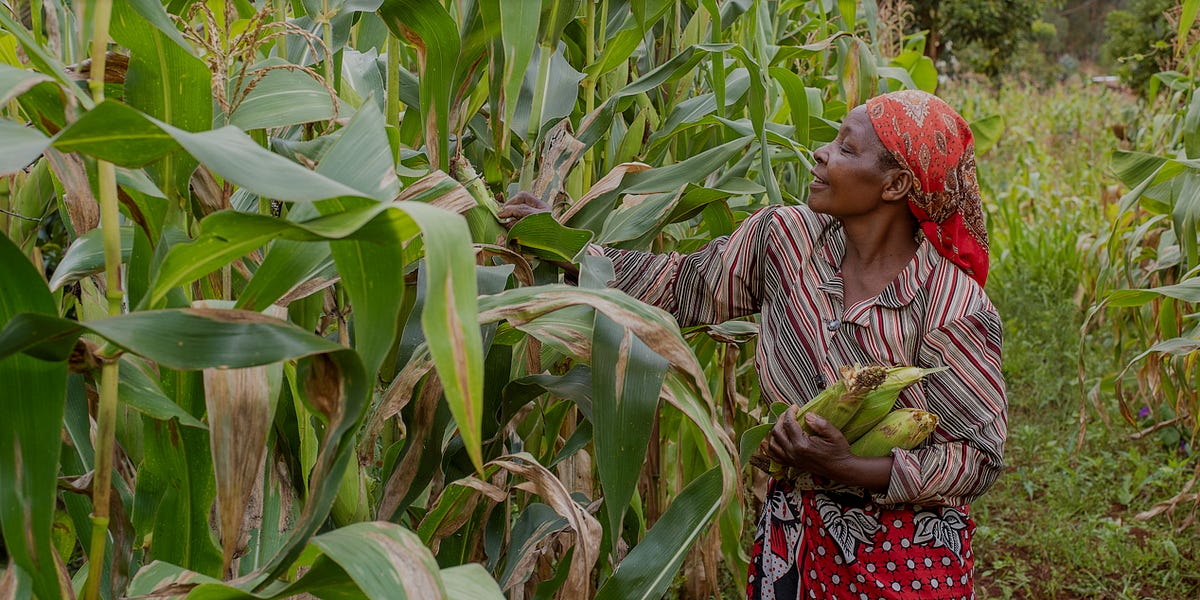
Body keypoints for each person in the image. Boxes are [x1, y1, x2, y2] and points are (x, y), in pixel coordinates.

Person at [499, 89, 1006, 600]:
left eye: (847, 149)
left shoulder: (951, 304)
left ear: (896, 184)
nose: (822, 153)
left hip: (902, 558)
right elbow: (686, 284)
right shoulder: (786, 241)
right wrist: (567, 248)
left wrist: (850, 468)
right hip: (794, 533)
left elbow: (978, 455)